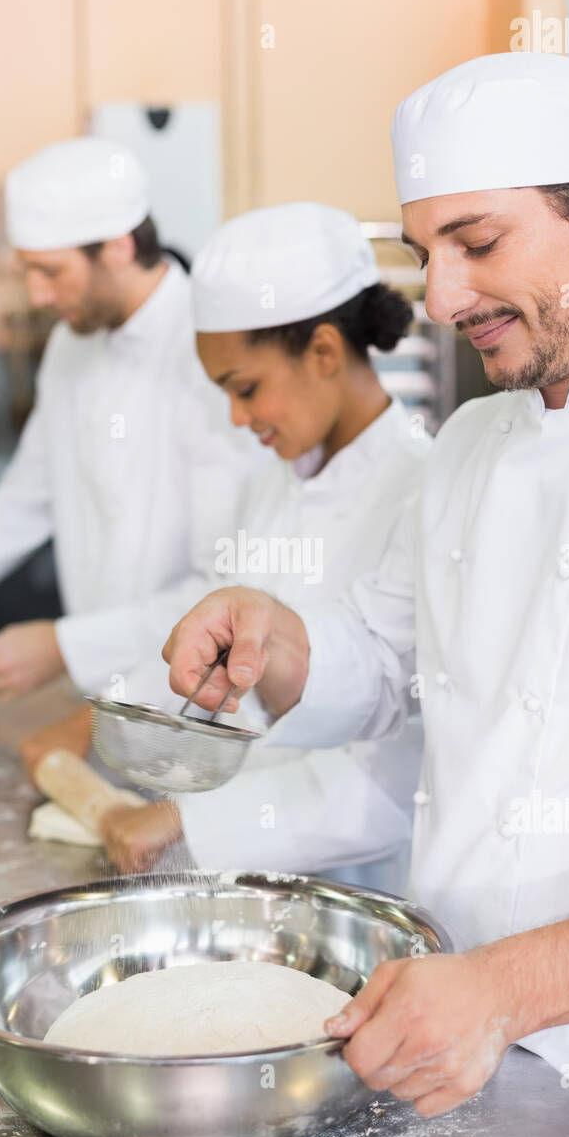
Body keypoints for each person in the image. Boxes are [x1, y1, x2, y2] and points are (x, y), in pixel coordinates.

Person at [161, 52, 569, 1137]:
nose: (442, 299)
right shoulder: (467, 447)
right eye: (424, 255)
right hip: (438, 1044)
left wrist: (507, 987)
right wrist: (274, 634)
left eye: (478, 242)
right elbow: (386, 663)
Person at [0, 137, 257, 697]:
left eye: (50, 272)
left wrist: (69, 647)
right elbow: (20, 504)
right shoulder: (71, 346)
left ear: (118, 248)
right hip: (102, 690)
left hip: (196, 697)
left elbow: (231, 585)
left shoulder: (214, 355)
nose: (36, 295)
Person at [91, 202, 430, 892]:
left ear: (325, 352)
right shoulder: (276, 480)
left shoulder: (424, 491)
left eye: (246, 389)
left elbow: (403, 774)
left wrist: (194, 823)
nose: (237, 419)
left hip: (355, 893)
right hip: (244, 879)